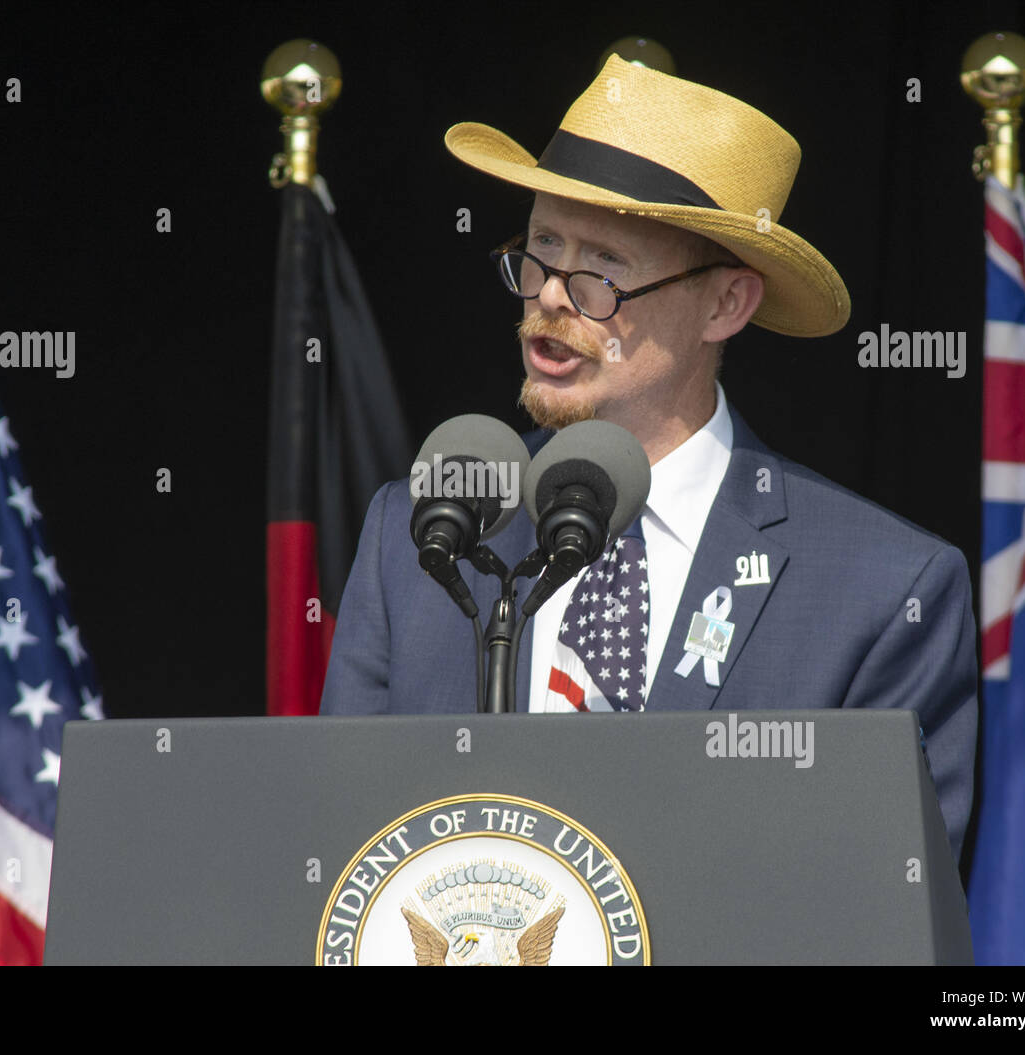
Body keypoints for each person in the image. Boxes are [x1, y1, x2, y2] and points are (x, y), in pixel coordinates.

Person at [319, 54, 978, 863]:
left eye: (603, 270)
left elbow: (880, 911)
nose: (552, 297)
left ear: (726, 302)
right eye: (541, 250)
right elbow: (344, 850)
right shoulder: (419, 532)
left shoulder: (883, 589)